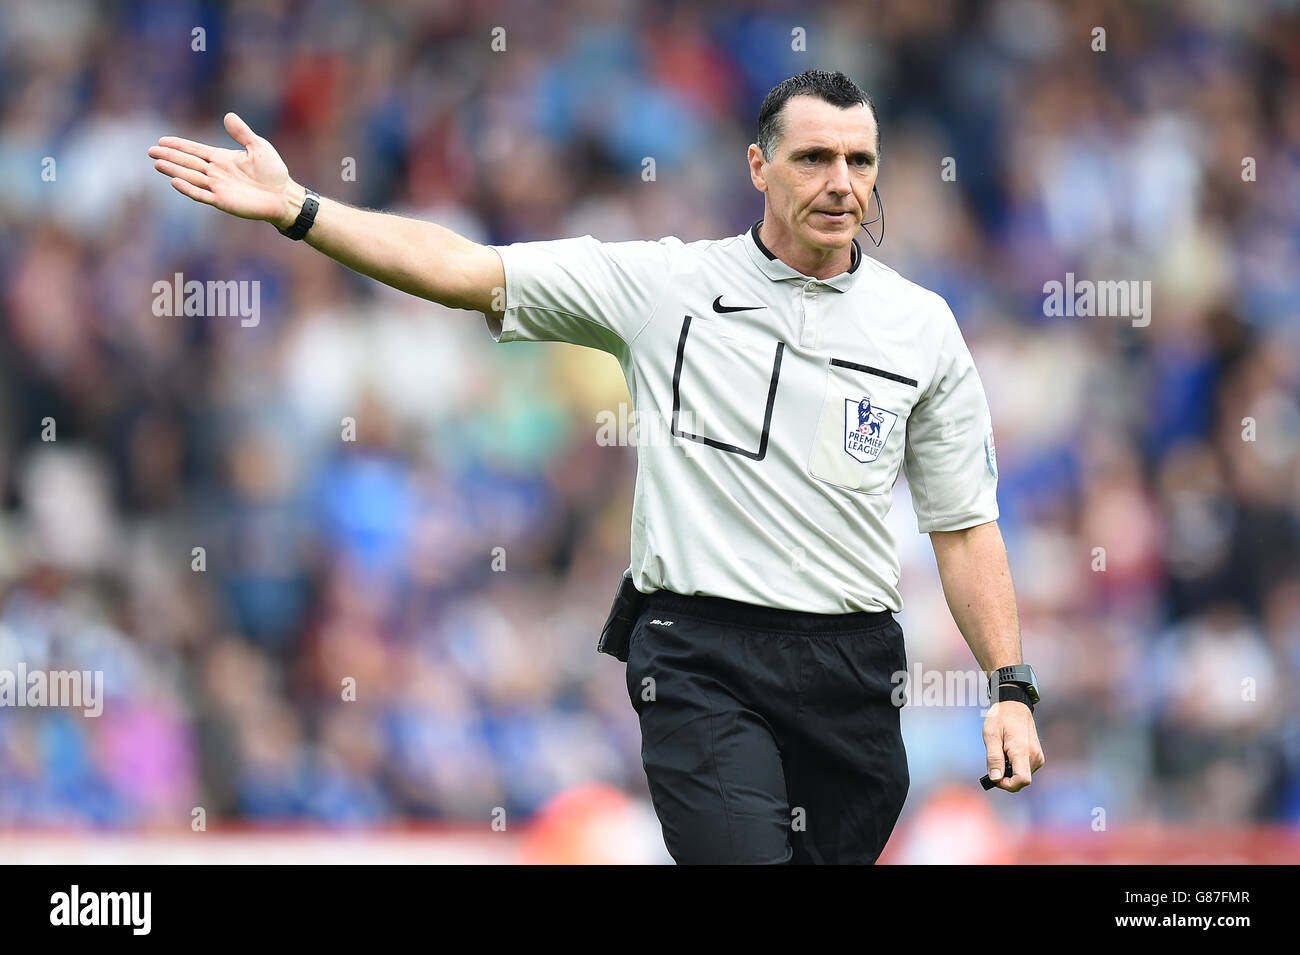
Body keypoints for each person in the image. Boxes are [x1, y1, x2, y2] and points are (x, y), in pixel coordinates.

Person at [148, 68, 1045, 865]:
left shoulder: (922, 328)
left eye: (860, 160)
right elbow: (468, 270)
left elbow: (963, 525)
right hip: (704, 659)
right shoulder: (666, 287)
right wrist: (301, 209)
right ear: (759, 168)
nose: (841, 183)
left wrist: (1008, 685)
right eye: (813, 158)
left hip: (853, 674)